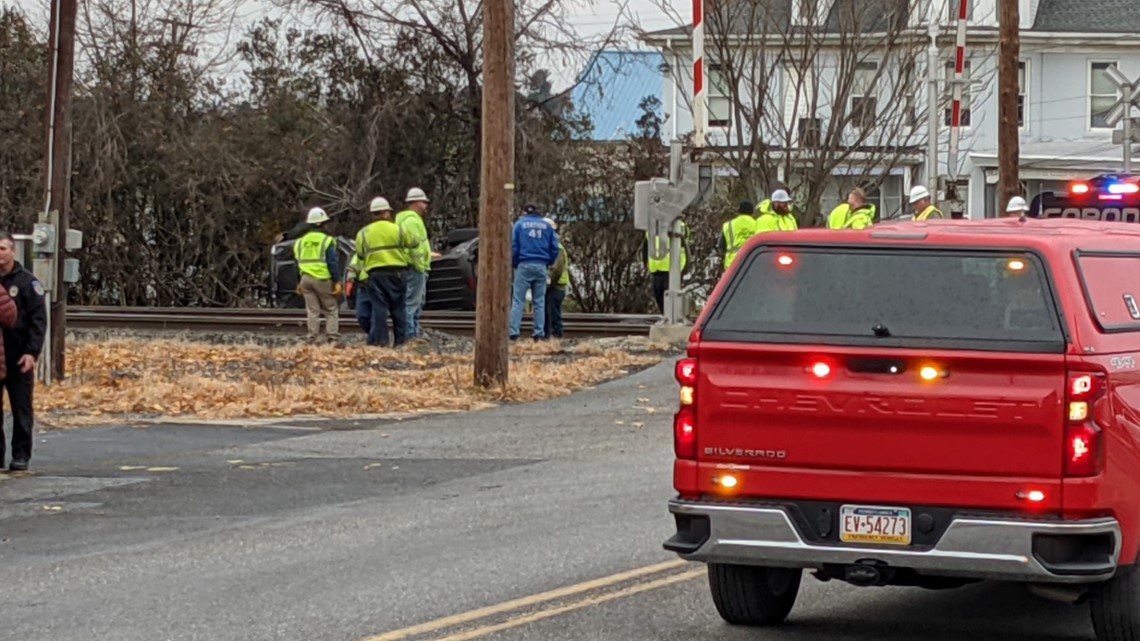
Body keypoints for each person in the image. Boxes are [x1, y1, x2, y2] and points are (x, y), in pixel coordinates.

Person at [0, 232, 42, 471]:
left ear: (13, 251)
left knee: (21, 408)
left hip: (18, 354)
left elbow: (38, 321)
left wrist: (32, 353)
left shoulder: (27, 282)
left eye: (3, 249)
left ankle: (21, 455)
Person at [356, 196, 416, 347]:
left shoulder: (363, 233)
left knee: (379, 310)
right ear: (387, 213)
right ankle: (400, 343)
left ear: (372, 214)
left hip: (376, 275)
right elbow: (413, 243)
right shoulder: (398, 229)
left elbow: (360, 255)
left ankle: (381, 342)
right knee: (399, 309)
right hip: (398, 273)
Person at [510, 204, 558, 341]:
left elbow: (514, 246)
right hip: (541, 265)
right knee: (539, 302)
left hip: (524, 264)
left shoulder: (519, 225)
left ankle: (514, 332)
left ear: (525, 212)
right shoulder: (547, 227)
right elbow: (554, 247)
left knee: (518, 300)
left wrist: (515, 263)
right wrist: (548, 262)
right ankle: (538, 333)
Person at [293, 207, 341, 342]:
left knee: (312, 311)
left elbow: (297, 263)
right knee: (330, 309)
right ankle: (332, 337)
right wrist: (336, 281)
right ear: (320, 224)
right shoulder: (326, 240)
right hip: (322, 278)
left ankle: (312, 337)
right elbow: (332, 262)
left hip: (305, 279)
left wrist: (298, 282)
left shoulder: (300, 242)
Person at [395, 188, 433, 340]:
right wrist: (420, 264)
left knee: (414, 302)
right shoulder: (411, 221)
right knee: (412, 303)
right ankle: (410, 335)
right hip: (415, 268)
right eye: (424, 202)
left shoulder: (408, 220)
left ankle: (412, 333)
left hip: (414, 267)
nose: (426, 205)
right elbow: (414, 247)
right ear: (416, 203)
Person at [644, 218, 690, 315]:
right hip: (656, 269)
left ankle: (671, 318)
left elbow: (684, 246)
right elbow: (646, 247)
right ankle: (665, 317)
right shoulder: (652, 226)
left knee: (671, 301)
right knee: (660, 299)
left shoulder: (679, 226)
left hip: (672, 269)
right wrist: (646, 263)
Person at [544, 217, 569, 339]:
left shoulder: (557, 248)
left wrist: (548, 283)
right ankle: (550, 336)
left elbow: (556, 270)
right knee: (549, 314)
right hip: (555, 286)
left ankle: (556, 336)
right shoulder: (552, 246)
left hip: (556, 287)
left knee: (553, 314)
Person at [720, 201, 757, 271]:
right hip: (752, 261)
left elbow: (721, 246)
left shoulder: (728, 225)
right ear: (752, 212)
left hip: (732, 264)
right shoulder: (757, 224)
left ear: (738, 211)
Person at [345, 254, 371, 335]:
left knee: (377, 316)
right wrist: (349, 285)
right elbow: (353, 268)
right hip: (364, 285)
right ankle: (374, 335)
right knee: (361, 315)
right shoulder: (360, 252)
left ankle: (375, 338)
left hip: (380, 284)